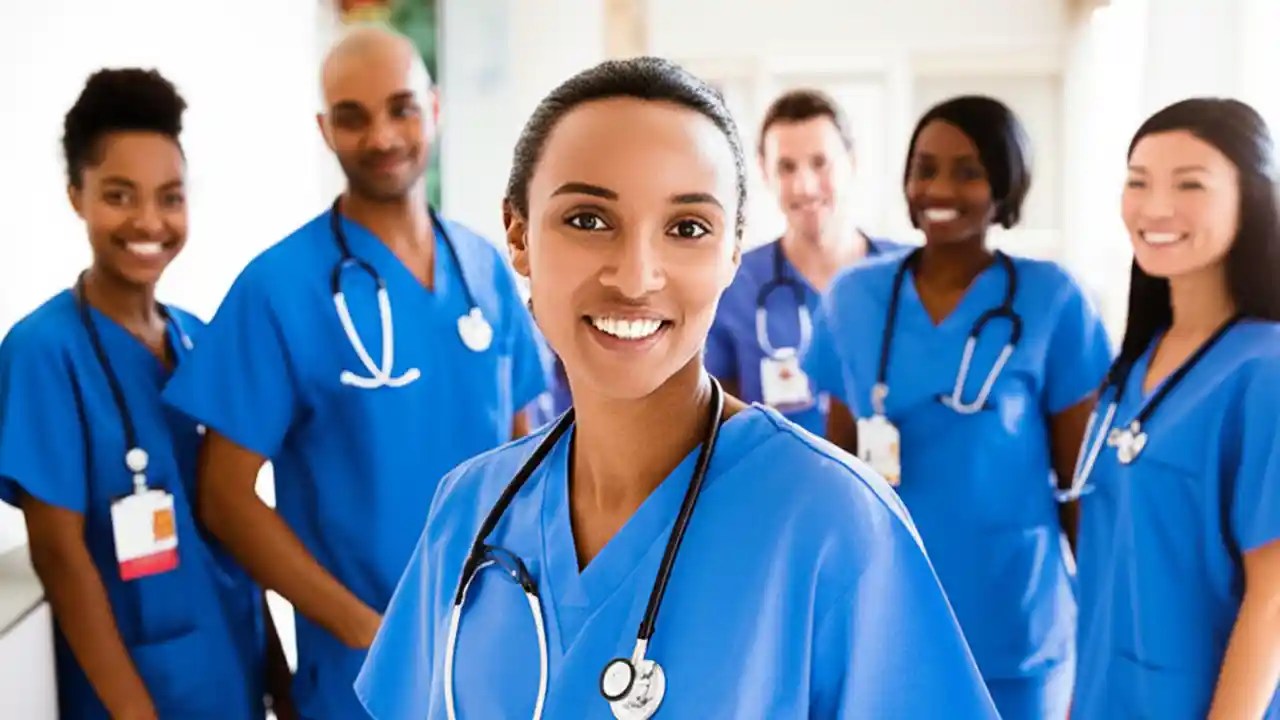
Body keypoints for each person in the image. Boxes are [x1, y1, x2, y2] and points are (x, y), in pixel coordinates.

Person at [353, 56, 1000, 719]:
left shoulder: (832, 520)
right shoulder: (468, 510)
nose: (636, 277)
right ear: (518, 234)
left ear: (732, 253)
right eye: (588, 219)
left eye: (687, 228)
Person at [160, 26, 546, 720]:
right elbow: (224, 497)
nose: (381, 137)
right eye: (352, 117)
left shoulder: (486, 267)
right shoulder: (280, 288)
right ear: (323, 129)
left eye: (400, 108)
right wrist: (367, 630)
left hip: (503, 655)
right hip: (362, 679)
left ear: (435, 108)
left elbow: (531, 455)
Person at [805, 95, 1113, 719]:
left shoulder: (1053, 300)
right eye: (926, 167)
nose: (940, 187)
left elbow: (1080, 489)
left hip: (1013, 622)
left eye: (968, 171)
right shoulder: (854, 298)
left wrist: (1107, 627)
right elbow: (834, 475)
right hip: (887, 612)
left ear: (1004, 184)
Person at [0, 67, 284, 719]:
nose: (148, 221)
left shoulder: (200, 341)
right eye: (120, 195)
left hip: (232, 678)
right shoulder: (45, 353)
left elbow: (231, 524)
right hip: (135, 694)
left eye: (170, 196)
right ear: (76, 194)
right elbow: (60, 556)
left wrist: (280, 675)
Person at [1069, 98, 1280, 719]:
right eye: (1138, 182)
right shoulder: (1135, 365)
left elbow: (1273, 598)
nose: (1155, 207)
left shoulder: (1264, 371)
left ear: (1253, 196)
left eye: (1190, 184)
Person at [705, 89, 902, 435]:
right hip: (778, 485)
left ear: (852, 162)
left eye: (820, 163)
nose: (805, 186)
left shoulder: (908, 274)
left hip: (897, 484)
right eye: (786, 167)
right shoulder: (735, 283)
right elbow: (718, 422)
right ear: (765, 175)